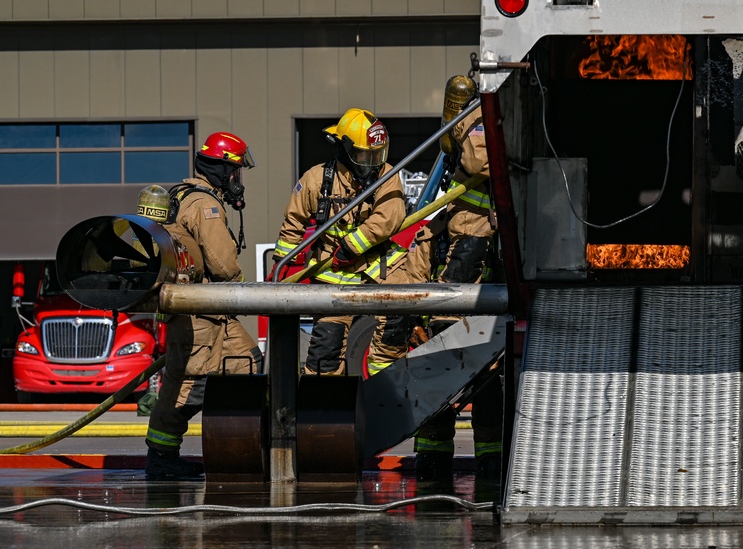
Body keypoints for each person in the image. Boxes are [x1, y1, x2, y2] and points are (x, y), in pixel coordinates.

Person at [144, 131, 264, 480]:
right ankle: (162, 456)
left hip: (207, 312)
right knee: (190, 385)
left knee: (249, 362)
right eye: (236, 171)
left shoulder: (179, 195)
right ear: (224, 170)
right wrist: (241, 287)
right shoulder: (204, 205)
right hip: (201, 313)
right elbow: (224, 266)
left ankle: (242, 442)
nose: (238, 180)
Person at [270, 108, 411, 376]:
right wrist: (282, 266)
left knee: (396, 323)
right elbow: (293, 223)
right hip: (332, 274)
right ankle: (325, 400)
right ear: (345, 149)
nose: (372, 163)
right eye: (365, 156)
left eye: (377, 155)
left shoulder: (387, 175)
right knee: (327, 348)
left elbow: (389, 217)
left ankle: (386, 385)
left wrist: (351, 247)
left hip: (379, 267)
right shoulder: (315, 180)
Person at [412, 75, 504, 481]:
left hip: (485, 281)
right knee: (440, 372)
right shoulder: (476, 125)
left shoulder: (480, 127)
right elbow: (479, 164)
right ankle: (432, 459)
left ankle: (490, 458)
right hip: (465, 263)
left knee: (487, 382)